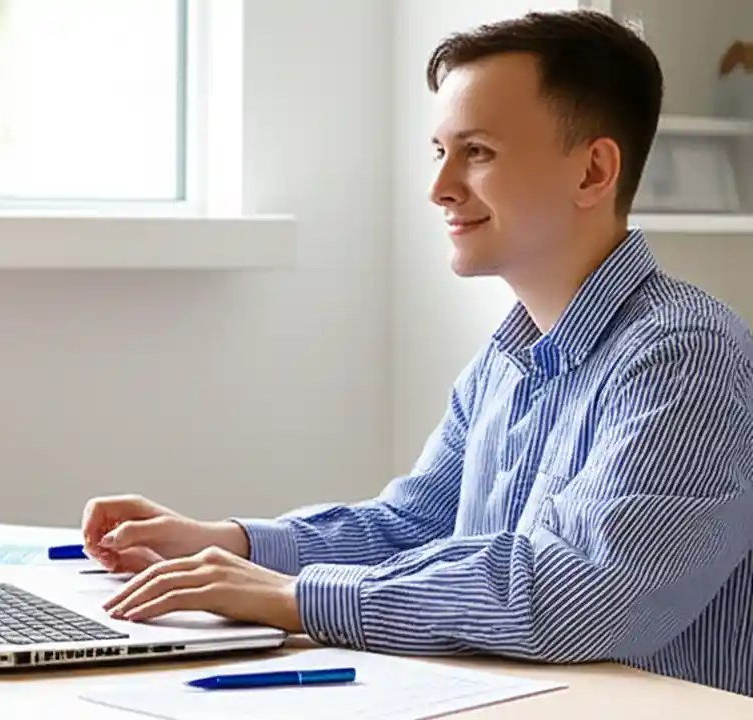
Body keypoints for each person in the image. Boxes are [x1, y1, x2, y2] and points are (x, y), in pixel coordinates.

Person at [81, 10, 753, 697]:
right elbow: (409, 529)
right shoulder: (506, 361)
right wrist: (225, 545)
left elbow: (576, 595)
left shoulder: (686, 357)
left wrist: (293, 598)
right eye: (440, 152)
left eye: (479, 152)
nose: (440, 188)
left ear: (593, 171)